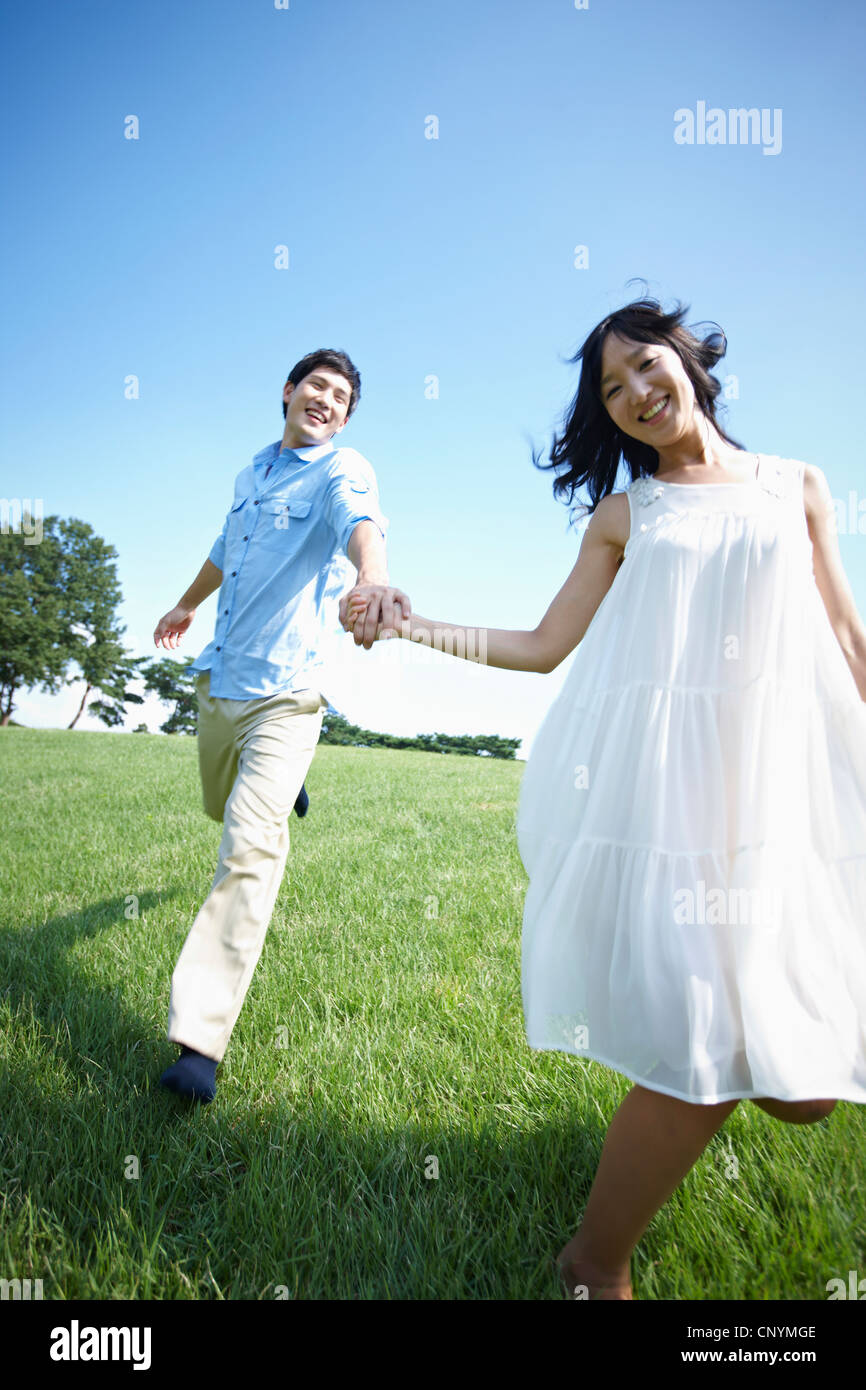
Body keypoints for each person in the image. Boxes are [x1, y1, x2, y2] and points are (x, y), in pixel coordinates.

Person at [341, 298, 866, 1300]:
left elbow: (845, 637)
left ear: (686, 354)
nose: (631, 394)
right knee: (711, 1034)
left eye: (640, 366)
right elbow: (540, 648)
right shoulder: (626, 517)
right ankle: (592, 1266)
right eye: (609, 391)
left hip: (781, 798)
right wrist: (408, 625)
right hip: (672, 811)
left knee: (803, 1091)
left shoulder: (795, 485)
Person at [153, 349, 410, 1103]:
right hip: (223, 678)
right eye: (316, 387)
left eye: (341, 397)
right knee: (218, 805)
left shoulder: (341, 469)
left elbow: (364, 523)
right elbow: (223, 548)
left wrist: (373, 579)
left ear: (345, 417)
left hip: (290, 691)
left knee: (248, 848)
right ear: (289, 393)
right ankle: (287, 783)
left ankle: (198, 1041)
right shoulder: (251, 475)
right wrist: (186, 602)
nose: (326, 401)